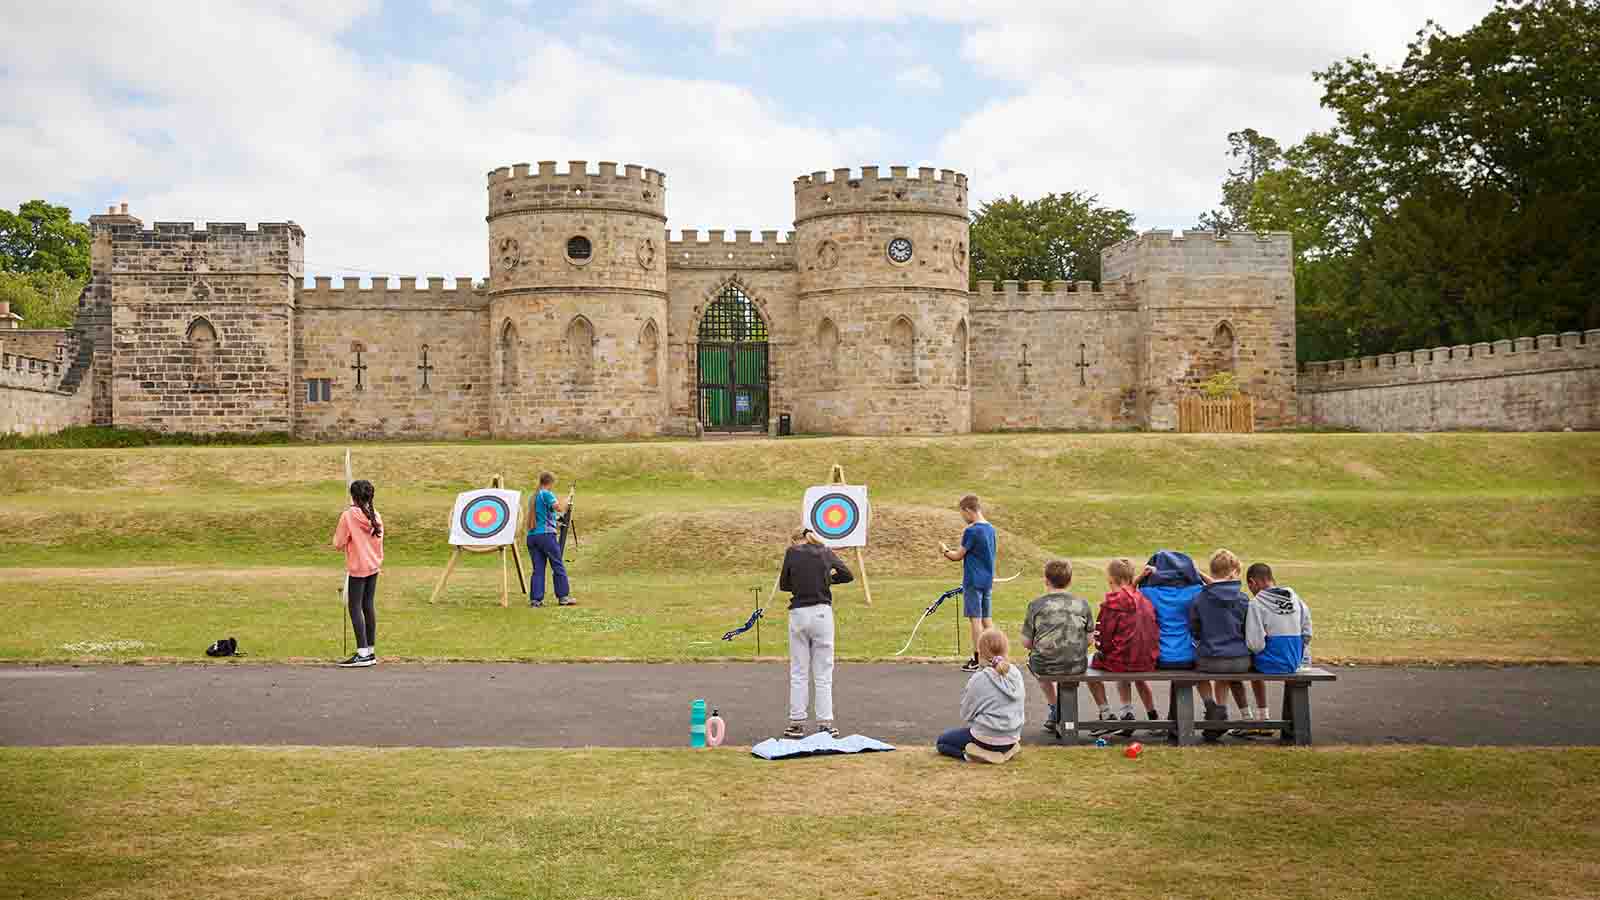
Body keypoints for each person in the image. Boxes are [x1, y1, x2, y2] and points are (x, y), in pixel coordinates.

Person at [779, 527, 853, 738]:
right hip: (822, 614)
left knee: (799, 671)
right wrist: (827, 581)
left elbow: (784, 585)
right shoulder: (825, 550)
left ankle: (796, 723)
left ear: (796, 540)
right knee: (823, 672)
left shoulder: (791, 553)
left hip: (798, 614)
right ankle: (825, 723)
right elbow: (848, 575)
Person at [1136, 550, 1204, 743]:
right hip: (1188, 657)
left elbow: (1126, 593)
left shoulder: (1149, 593)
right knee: (1181, 673)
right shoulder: (1195, 591)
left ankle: (1169, 721)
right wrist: (1197, 573)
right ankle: (1176, 722)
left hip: (1160, 657)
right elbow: (1215, 588)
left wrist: (1141, 576)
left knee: (1174, 670)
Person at [1087, 557, 1160, 736]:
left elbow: (1102, 640)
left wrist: (1102, 649)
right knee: (1133, 669)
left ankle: (1107, 715)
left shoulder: (1111, 604)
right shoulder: (1144, 600)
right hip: (1147, 659)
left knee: (1090, 666)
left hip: (1122, 661)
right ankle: (1153, 717)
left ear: (1110, 579)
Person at [1020, 559, 1093, 735]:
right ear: (1070, 580)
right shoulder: (1082, 604)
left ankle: (1054, 707)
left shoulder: (1036, 605)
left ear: (1046, 580)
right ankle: (1060, 711)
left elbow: (1026, 642)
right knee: (1070, 662)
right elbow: (1090, 639)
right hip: (1076, 664)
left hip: (1045, 664)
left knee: (1038, 662)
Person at [1243, 562, 1314, 735]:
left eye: (1249, 586)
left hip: (1268, 665)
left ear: (1253, 582)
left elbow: (1255, 644)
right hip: (1293, 662)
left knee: (1246, 660)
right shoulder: (1296, 598)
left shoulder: (1256, 604)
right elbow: (1307, 632)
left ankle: (1257, 716)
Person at [1188, 548, 1252, 741]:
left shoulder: (1199, 599)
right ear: (1233, 572)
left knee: (1197, 668)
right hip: (1240, 660)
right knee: (1223, 671)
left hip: (1211, 659)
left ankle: (1213, 708)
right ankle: (1221, 711)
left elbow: (1195, 630)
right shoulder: (1243, 599)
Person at [936, 628, 1025, 764]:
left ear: (981, 652)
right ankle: (1007, 751)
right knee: (977, 735)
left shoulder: (979, 678)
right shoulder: (1016, 673)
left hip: (985, 738)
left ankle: (973, 755)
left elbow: (966, 714)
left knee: (942, 742)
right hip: (1012, 737)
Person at [941, 494, 997, 672]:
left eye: (962, 514)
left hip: (973, 581)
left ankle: (977, 658)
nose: (963, 518)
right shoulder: (991, 529)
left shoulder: (972, 531)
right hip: (987, 580)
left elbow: (957, 556)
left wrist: (944, 550)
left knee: (976, 620)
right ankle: (997, 655)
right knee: (987, 620)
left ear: (968, 510)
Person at [332, 479, 384, 668]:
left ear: (353, 496)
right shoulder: (375, 514)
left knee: (355, 607)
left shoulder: (348, 516)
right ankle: (369, 651)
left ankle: (362, 653)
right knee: (368, 605)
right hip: (373, 566)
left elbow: (338, 543)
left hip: (358, 567)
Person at [526, 471, 575, 607]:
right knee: (557, 565)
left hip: (532, 537)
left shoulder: (533, 496)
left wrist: (556, 521)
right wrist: (569, 498)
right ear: (550, 483)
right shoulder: (546, 494)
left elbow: (545, 515)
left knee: (538, 569)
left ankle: (536, 600)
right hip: (546, 536)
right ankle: (563, 597)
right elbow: (560, 509)